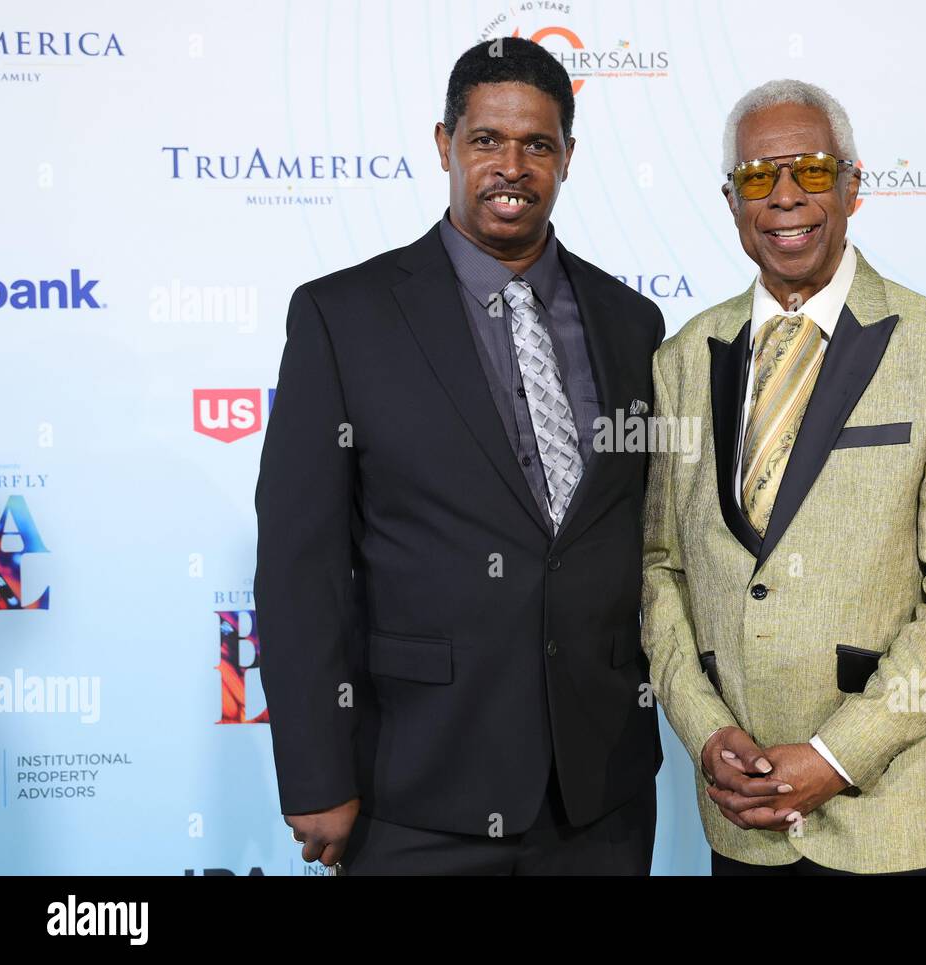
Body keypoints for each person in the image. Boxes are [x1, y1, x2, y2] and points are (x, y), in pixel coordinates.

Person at [254, 37, 663, 875]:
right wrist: (316, 771)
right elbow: (303, 567)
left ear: (567, 158)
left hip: (600, 796)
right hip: (414, 790)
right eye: (486, 140)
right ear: (445, 145)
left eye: (537, 144)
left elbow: (647, 541)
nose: (511, 166)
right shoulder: (343, 317)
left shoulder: (633, 323)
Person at [641, 79, 926, 875]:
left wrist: (835, 756)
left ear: (852, 185)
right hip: (738, 818)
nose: (782, 198)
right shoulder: (681, 359)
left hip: (883, 819)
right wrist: (707, 732)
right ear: (730, 199)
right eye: (755, 178)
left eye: (808, 171)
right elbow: (660, 569)